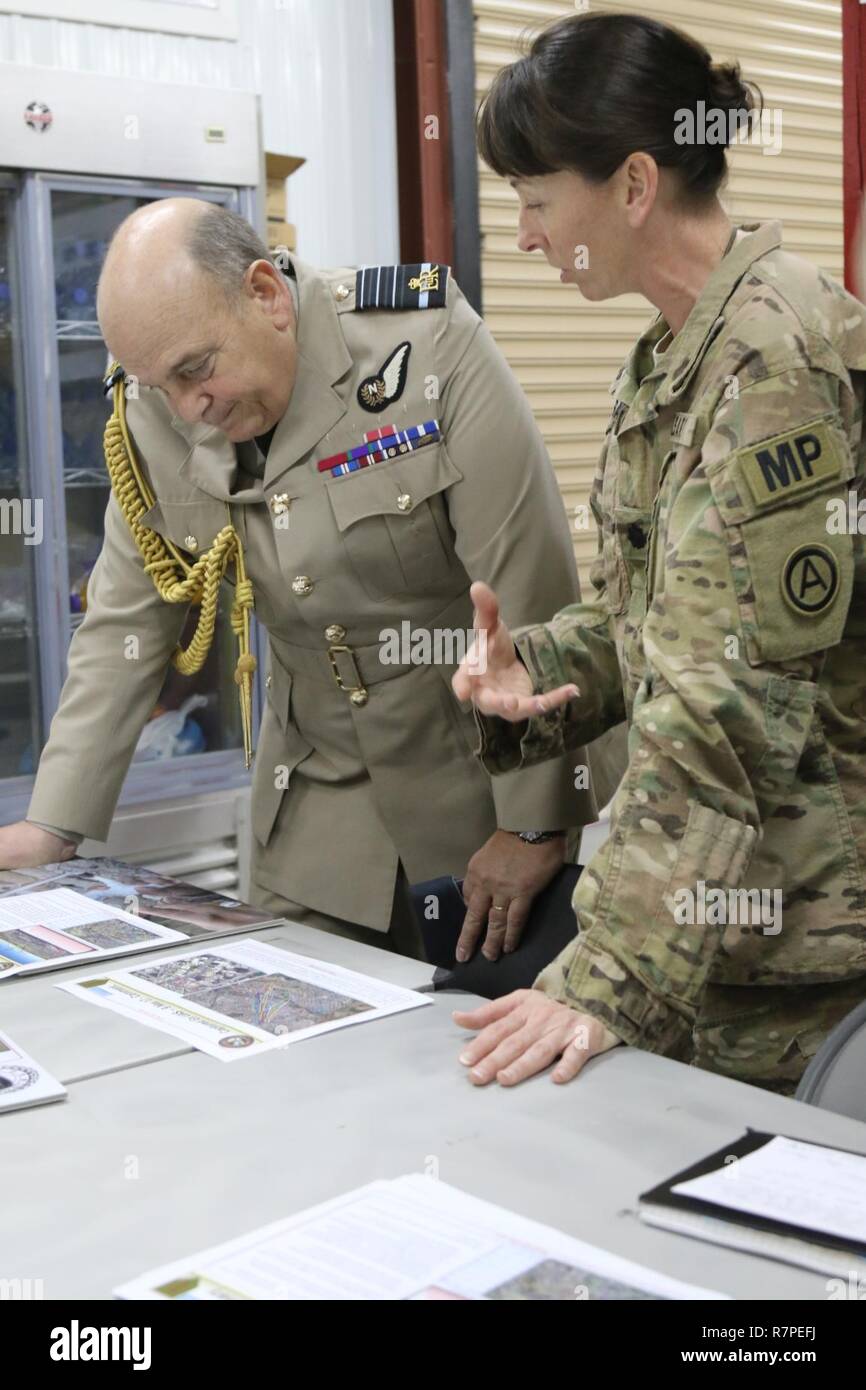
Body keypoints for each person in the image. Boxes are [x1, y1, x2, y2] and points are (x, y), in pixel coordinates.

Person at [0, 198, 621, 959]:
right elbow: (128, 621)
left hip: (476, 786)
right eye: (159, 384)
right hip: (315, 804)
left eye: (198, 370)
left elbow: (532, 593)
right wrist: (51, 823)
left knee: (485, 1050)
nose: (189, 407)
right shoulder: (157, 404)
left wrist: (534, 823)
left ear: (266, 295)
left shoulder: (425, 349)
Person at [452, 11, 866, 1092]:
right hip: (723, 941)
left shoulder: (770, 369)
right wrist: (534, 671)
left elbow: (725, 709)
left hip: (809, 972)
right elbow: (653, 620)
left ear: (631, 186)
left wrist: (602, 983)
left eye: (536, 200)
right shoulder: (671, 359)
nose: (526, 234)